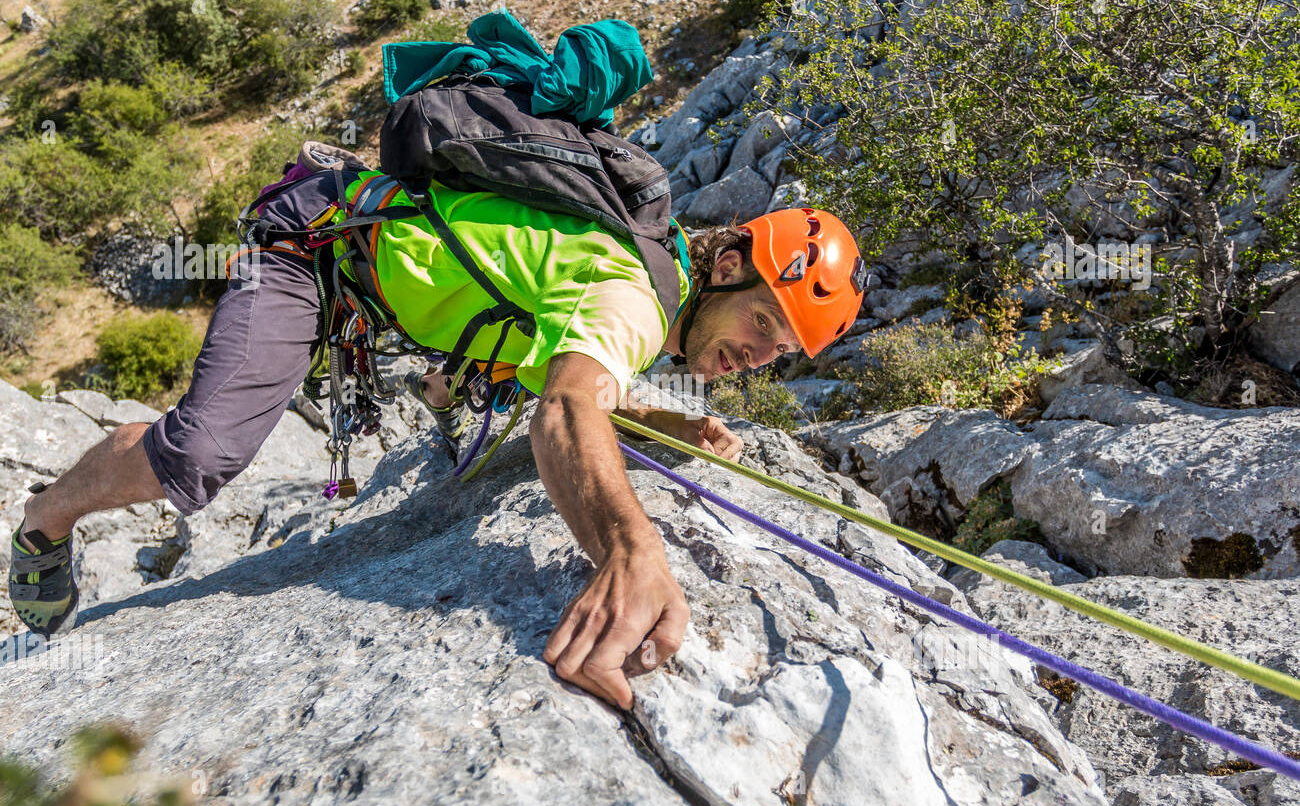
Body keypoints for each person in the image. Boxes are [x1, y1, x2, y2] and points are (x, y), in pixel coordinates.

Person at [7, 167, 865, 710]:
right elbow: (565, 411)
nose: (757, 355)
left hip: (367, 281)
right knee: (199, 455)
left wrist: (668, 422)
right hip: (310, 254)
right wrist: (630, 551)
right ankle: (47, 516)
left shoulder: (648, 275)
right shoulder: (635, 296)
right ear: (725, 266)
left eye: (778, 351)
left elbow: (572, 386)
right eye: (763, 319)